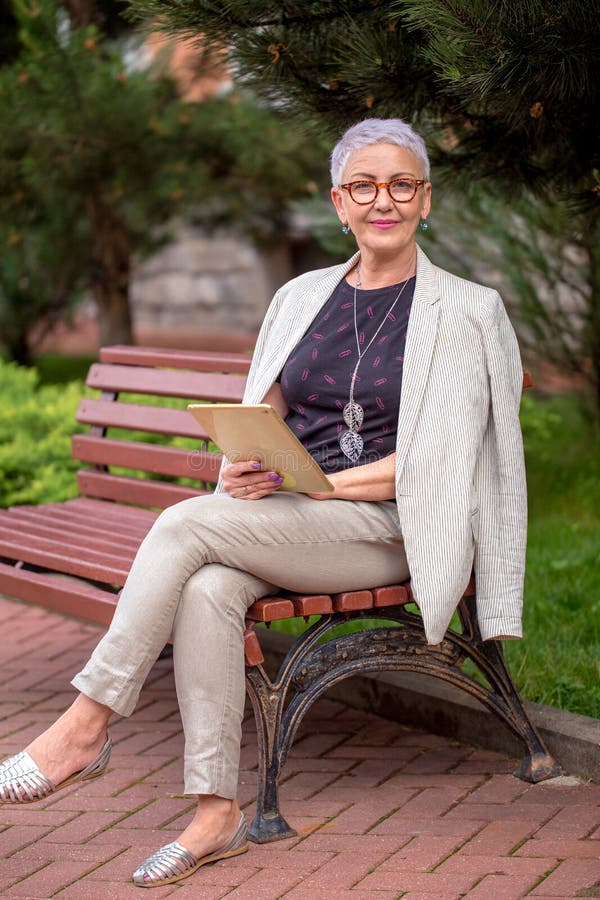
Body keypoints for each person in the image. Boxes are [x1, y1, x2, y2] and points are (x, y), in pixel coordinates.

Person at [0, 118, 526, 887]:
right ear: (338, 203)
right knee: (210, 589)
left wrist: (314, 485)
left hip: (393, 525)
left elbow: (439, 465)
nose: (385, 200)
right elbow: (268, 410)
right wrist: (248, 462)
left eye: (402, 184)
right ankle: (217, 812)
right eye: (364, 186)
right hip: (297, 518)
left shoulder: (466, 311)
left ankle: (85, 726)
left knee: (183, 524)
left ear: (426, 201)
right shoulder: (303, 294)